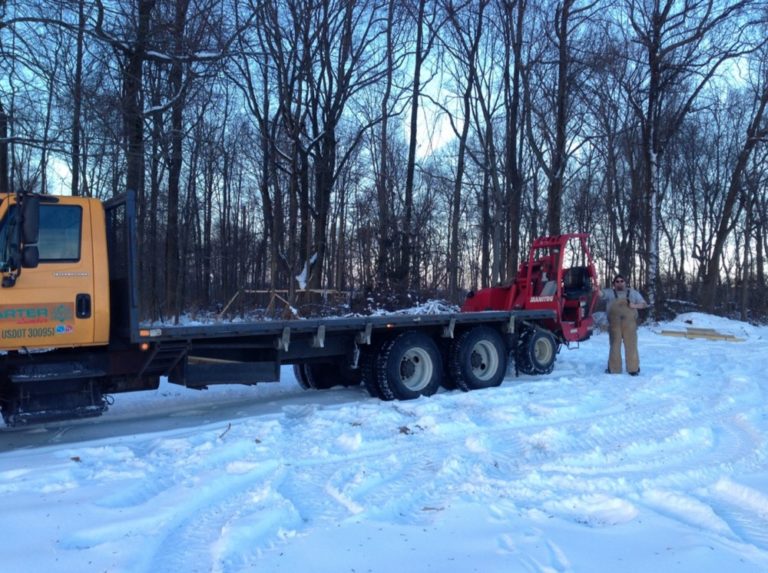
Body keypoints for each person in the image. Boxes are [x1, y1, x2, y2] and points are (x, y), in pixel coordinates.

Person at [600, 274, 648, 375]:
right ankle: (614, 369)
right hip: (614, 324)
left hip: (629, 324)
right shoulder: (609, 293)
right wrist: (595, 287)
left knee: (631, 346)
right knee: (614, 346)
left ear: (625, 282)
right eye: (617, 281)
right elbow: (600, 294)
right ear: (614, 284)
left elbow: (644, 304)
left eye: (622, 281)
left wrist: (634, 305)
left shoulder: (633, 293)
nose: (620, 283)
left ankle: (633, 369)